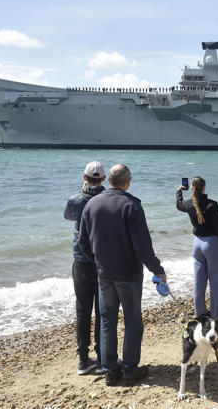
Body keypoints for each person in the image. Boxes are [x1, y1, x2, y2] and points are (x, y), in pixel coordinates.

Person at [79, 164, 166, 386]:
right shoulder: (131, 205)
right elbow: (143, 246)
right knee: (133, 320)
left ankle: (110, 371)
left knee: (107, 321)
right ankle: (128, 369)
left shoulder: (92, 204)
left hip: (104, 273)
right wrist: (157, 269)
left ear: (109, 180)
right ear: (128, 182)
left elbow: (83, 243)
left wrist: (98, 261)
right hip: (128, 274)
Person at [64, 161, 106, 375]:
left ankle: (82, 359)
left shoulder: (76, 200)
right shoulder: (107, 198)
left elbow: (68, 216)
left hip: (81, 261)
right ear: (104, 179)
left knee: (82, 309)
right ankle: (101, 358)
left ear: (84, 177)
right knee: (101, 310)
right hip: (101, 261)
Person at [176, 176, 218, 319]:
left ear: (192, 188)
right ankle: (217, 314)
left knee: (199, 279)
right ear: (204, 188)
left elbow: (179, 204)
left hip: (197, 244)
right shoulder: (212, 205)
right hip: (212, 244)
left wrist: (179, 191)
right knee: (217, 279)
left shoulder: (189, 204)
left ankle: (200, 311)